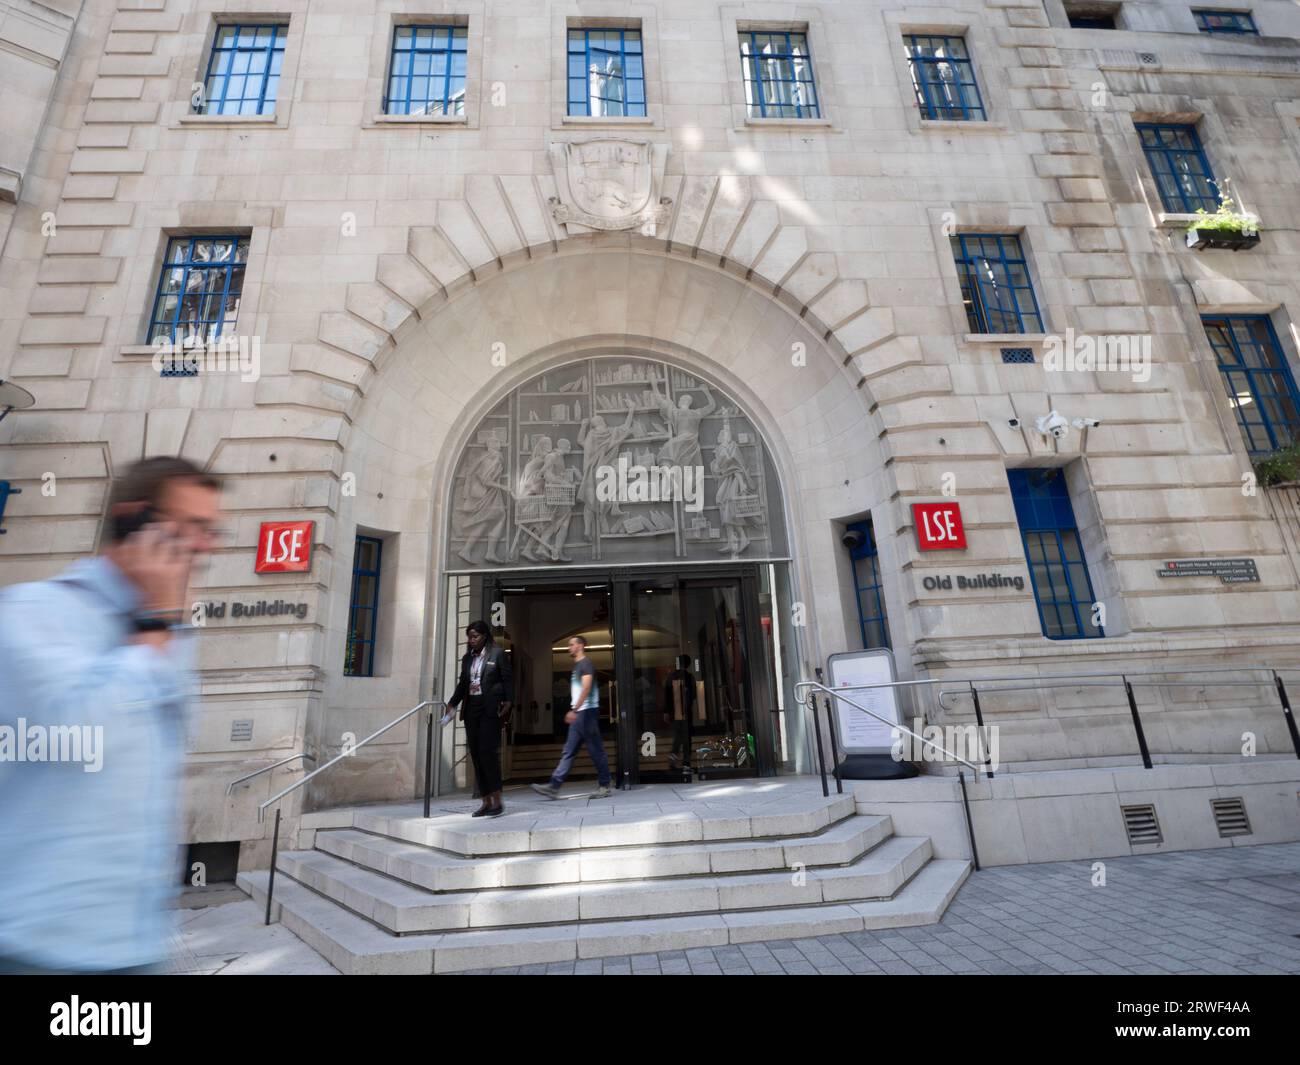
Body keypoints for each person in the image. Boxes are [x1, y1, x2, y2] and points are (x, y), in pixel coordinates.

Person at [0, 456, 223, 974]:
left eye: (211, 532)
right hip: (37, 946)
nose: (206, 547)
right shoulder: (37, 613)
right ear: (133, 522)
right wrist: (153, 625)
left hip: (133, 944)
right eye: (192, 527)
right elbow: (84, 740)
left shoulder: (166, 629)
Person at [530, 635, 611, 799]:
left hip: (586, 712)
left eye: (572, 644)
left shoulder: (586, 664)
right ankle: (554, 786)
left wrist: (574, 709)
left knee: (596, 750)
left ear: (581, 646)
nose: (569, 647)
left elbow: (587, 688)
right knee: (568, 751)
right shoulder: (577, 667)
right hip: (580, 714)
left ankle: (605, 785)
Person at [446, 621, 512, 817]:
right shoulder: (467, 658)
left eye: (475, 636)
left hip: (489, 709)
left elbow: (508, 678)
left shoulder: (497, 654)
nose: (471, 640)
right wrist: (452, 703)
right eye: (469, 636)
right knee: (475, 753)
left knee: (487, 753)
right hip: (471, 710)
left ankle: (497, 800)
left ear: (484, 636)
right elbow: (463, 684)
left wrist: (508, 700)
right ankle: (486, 801)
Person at [665, 655, 697, 772]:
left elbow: (667, 695)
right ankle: (686, 763)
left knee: (678, 734)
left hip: (674, 711)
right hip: (687, 711)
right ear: (688, 664)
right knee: (686, 736)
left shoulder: (671, 677)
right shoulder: (690, 677)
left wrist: (667, 711)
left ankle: (673, 754)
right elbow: (693, 695)